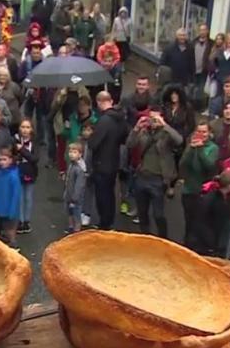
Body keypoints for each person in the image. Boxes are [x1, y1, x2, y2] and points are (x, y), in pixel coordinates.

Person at [126, 111, 183, 239]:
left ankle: (163, 238)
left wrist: (164, 124)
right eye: (151, 118)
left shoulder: (166, 134)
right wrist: (136, 128)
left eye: (156, 118)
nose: (153, 120)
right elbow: (130, 144)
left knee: (158, 214)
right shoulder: (144, 132)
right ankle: (145, 237)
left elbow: (179, 140)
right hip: (142, 176)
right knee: (142, 213)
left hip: (158, 179)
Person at [87, 91, 128, 230]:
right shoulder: (120, 118)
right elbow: (124, 137)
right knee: (110, 194)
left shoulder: (104, 120)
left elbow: (93, 143)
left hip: (101, 163)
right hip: (114, 161)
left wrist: (90, 135)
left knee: (102, 196)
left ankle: (104, 224)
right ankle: (109, 221)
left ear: (99, 102)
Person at [180, 119, 219, 253]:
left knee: (199, 223)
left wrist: (201, 149)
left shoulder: (213, 148)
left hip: (202, 192)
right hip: (188, 189)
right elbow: (183, 164)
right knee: (188, 221)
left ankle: (198, 250)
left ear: (209, 133)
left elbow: (209, 166)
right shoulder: (191, 145)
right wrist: (191, 149)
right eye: (198, 131)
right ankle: (186, 247)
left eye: (204, 132)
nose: (201, 134)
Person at [0, 148, 22, 248]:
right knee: (1, 230)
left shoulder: (13, 176)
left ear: (10, 160)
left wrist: (12, 210)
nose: (1, 162)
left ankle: (14, 246)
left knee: (10, 230)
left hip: (9, 209)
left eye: (4, 159)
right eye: (0, 160)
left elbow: (15, 194)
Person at [14, 119, 40, 234]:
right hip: (18, 171)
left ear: (31, 129)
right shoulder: (14, 140)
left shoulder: (34, 142)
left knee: (28, 197)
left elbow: (34, 158)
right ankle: (20, 220)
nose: (25, 130)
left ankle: (27, 220)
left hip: (30, 171)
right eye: (23, 127)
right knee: (19, 197)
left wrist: (22, 150)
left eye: (27, 127)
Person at [64, 142, 87, 234]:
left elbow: (79, 185)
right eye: (70, 152)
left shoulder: (79, 169)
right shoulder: (71, 165)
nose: (71, 154)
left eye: (74, 152)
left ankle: (77, 229)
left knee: (76, 213)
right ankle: (70, 226)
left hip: (75, 197)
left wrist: (75, 198)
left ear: (80, 154)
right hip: (68, 194)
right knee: (69, 211)